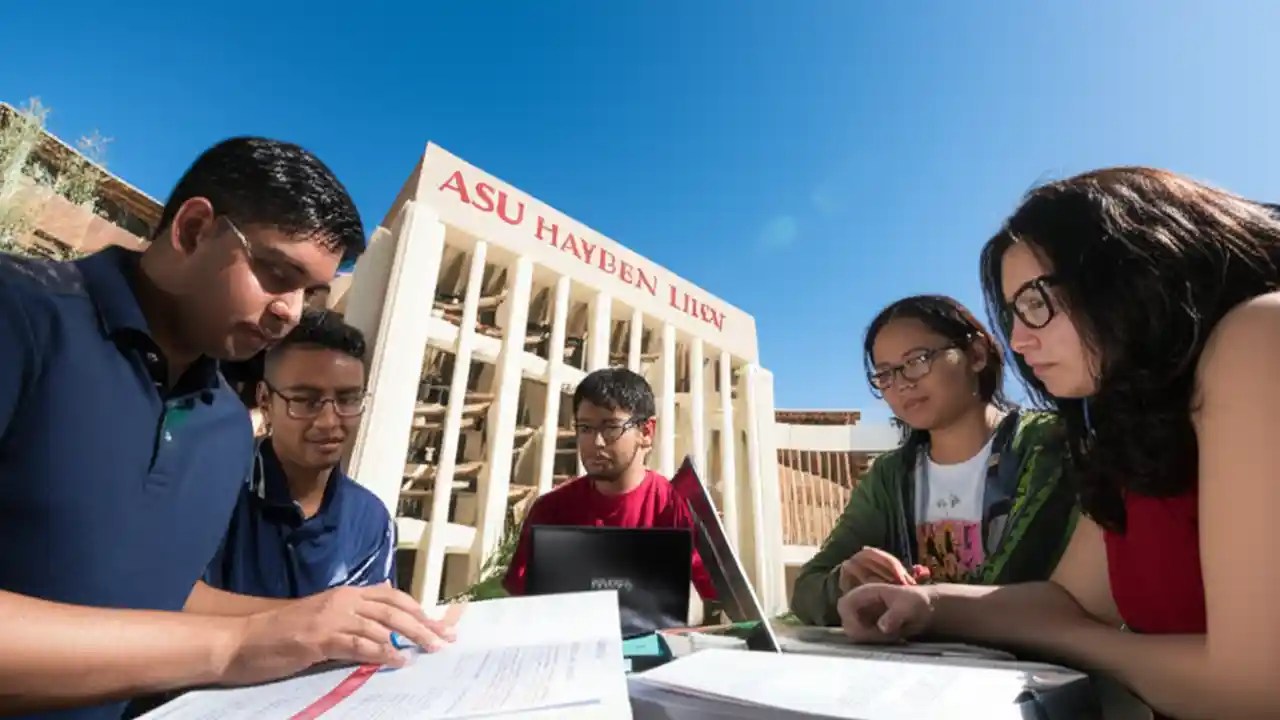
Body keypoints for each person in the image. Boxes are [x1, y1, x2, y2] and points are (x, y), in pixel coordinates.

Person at [0, 137, 450, 720]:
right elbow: (212, 641)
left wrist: (321, 624)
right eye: (277, 273)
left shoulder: (227, 429)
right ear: (193, 230)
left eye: (311, 293)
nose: (290, 311)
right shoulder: (21, 317)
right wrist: (239, 645)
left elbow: (158, 593)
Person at [838, 168, 1280, 719]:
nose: (1018, 342)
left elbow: (1257, 685)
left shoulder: (1259, 332)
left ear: (1132, 267)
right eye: (1013, 314)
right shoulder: (1131, 429)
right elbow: (1070, 599)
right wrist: (927, 604)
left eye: (1035, 303)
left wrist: (1076, 641)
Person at [790, 295, 1076, 626]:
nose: (902, 384)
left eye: (917, 360)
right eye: (885, 374)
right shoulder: (890, 478)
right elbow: (807, 591)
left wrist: (928, 602)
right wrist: (844, 581)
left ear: (976, 354)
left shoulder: (1048, 446)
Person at [204, 310, 396, 598]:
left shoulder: (370, 522)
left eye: (347, 399)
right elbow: (169, 595)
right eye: (306, 401)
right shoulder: (215, 490)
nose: (329, 421)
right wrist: (310, 617)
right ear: (265, 401)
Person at [503, 367, 716, 601]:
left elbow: (706, 598)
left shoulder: (671, 506)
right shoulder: (551, 510)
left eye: (611, 427)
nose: (597, 442)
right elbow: (523, 602)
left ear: (646, 432)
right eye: (585, 428)